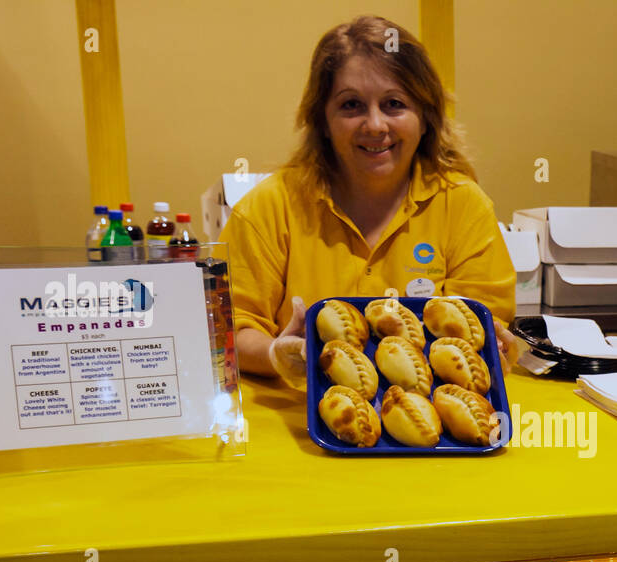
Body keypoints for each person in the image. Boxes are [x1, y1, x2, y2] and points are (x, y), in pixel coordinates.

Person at [221, 15, 518, 387]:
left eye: (394, 103)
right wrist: (276, 353)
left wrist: (493, 346)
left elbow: (484, 323)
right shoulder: (268, 207)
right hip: (293, 424)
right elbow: (229, 328)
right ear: (323, 122)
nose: (375, 125)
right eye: (351, 106)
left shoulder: (463, 205)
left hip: (432, 429)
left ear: (426, 117)